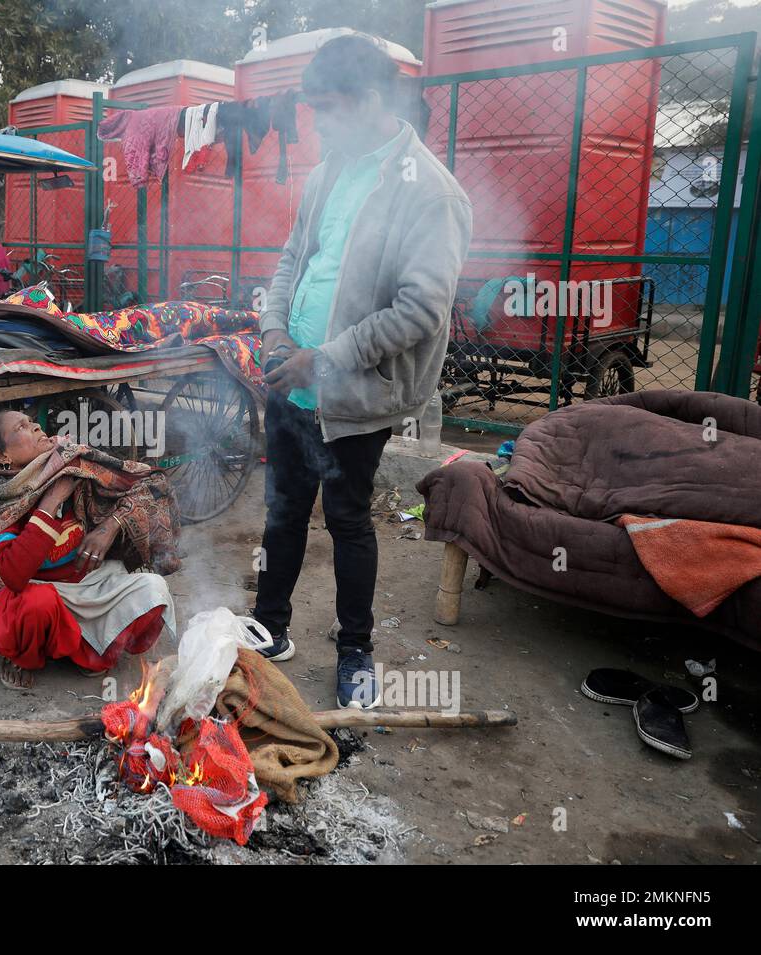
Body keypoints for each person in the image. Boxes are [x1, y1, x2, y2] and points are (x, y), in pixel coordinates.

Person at [251, 35, 472, 708]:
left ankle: (354, 652)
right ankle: (270, 628)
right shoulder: (328, 171)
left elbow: (421, 310)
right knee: (282, 510)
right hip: (293, 378)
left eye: (327, 108)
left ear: (373, 101)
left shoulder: (430, 191)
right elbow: (293, 257)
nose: (316, 124)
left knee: (348, 518)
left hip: (356, 393)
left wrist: (327, 357)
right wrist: (274, 333)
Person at [0, 410, 180, 690]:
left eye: (31, 422)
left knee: (153, 590)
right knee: (34, 605)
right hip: (35, 590)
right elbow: (14, 575)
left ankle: (88, 654)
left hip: (87, 583)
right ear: (1, 456)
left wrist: (110, 527)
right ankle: (22, 655)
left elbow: (150, 484)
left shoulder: (71, 461)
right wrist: (53, 499)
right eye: (22, 427)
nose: (35, 427)